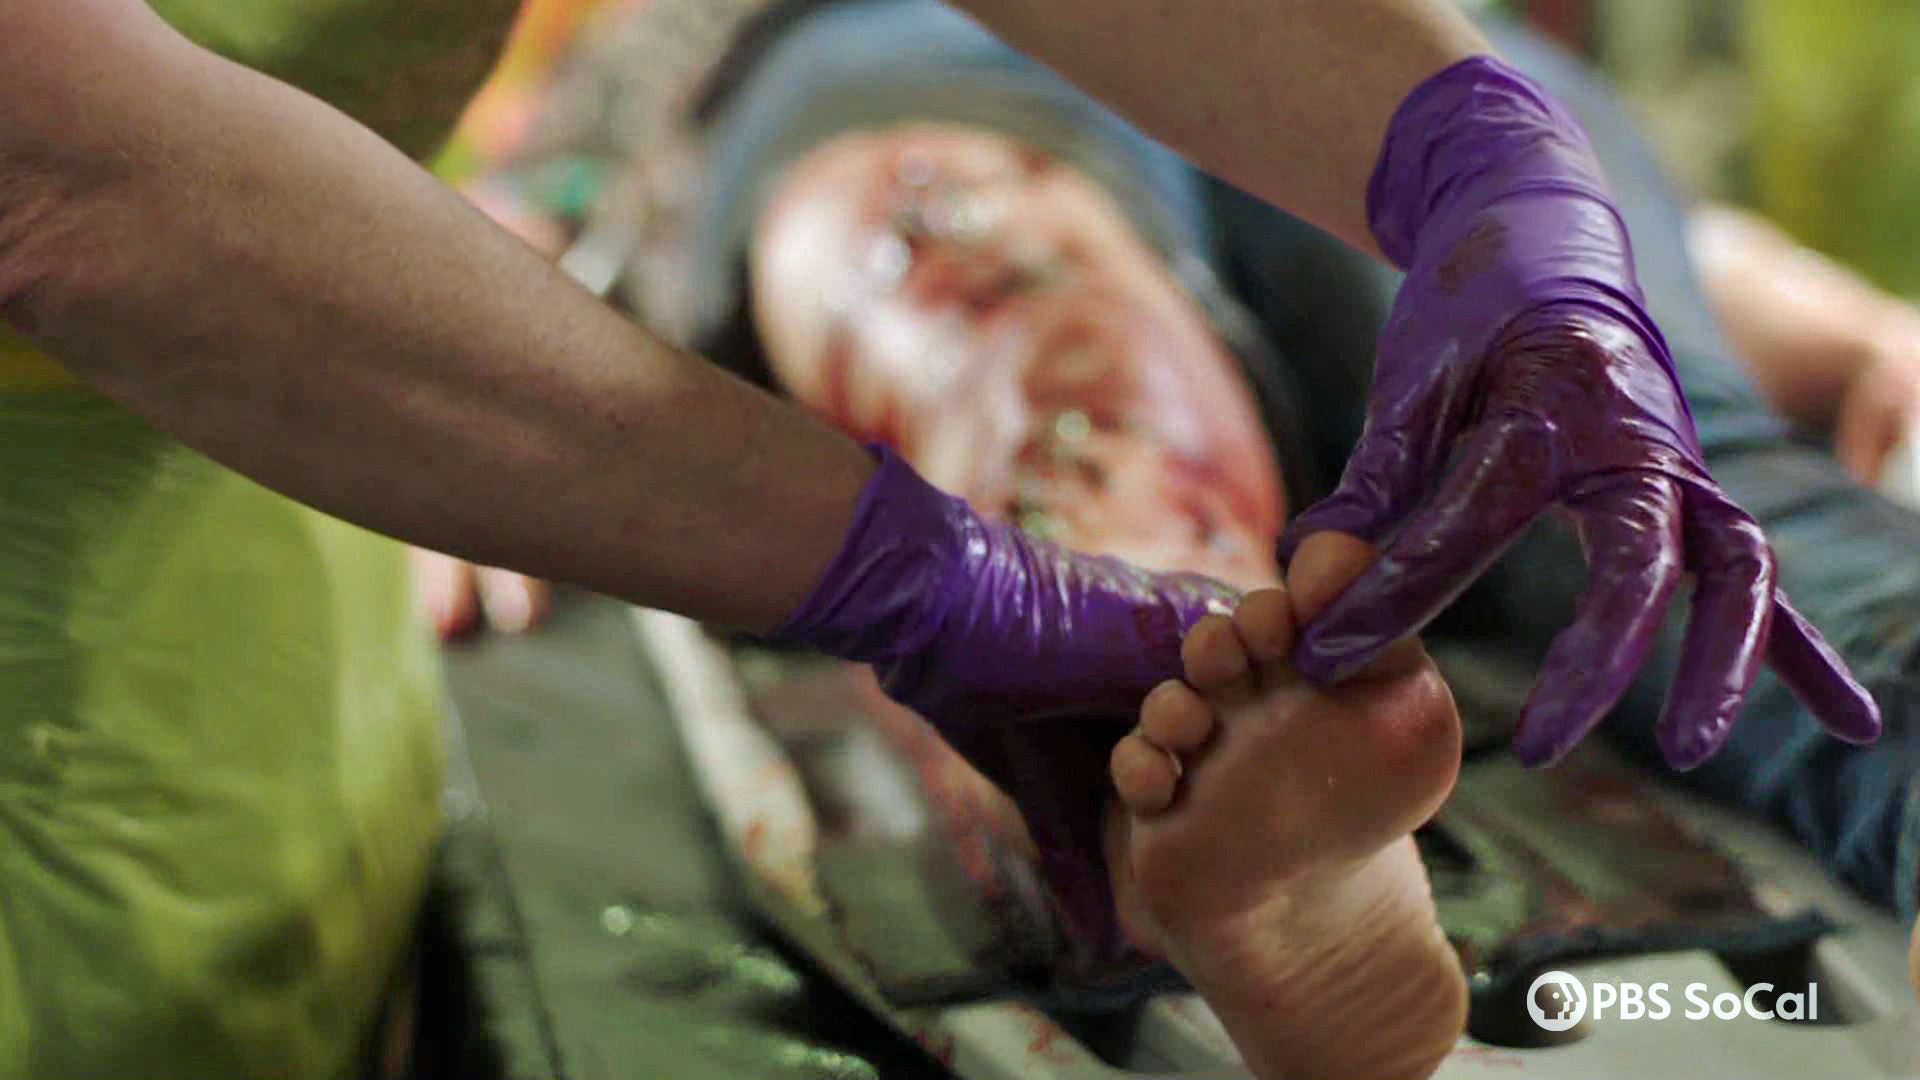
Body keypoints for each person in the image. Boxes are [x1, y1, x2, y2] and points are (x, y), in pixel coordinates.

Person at [0, 0, 1881, 1076]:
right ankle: (1233, 781)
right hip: (870, 43)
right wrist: (408, 386)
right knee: (1020, 308)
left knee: (1681, 478)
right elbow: (80, 165)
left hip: (1331, 58)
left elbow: (1790, 324)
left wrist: (1515, 175)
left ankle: (1212, 761)